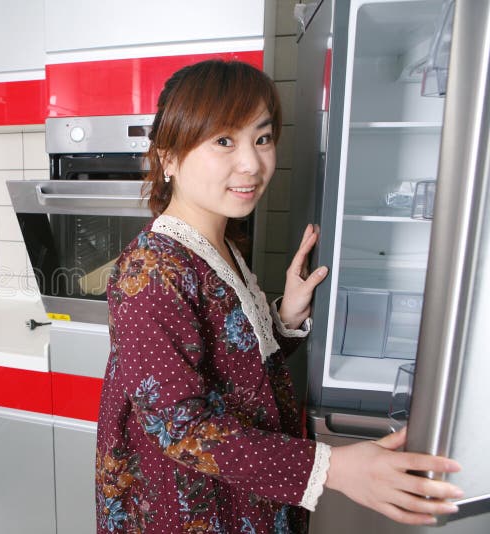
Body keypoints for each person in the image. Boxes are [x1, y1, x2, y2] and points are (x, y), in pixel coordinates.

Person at [94, 59, 463, 534]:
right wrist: (335, 468)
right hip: (189, 510)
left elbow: (234, 366)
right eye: (224, 140)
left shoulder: (220, 246)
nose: (252, 163)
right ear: (168, 157)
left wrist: (282, 318)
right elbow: (180, 427)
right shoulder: (150, 272)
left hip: (243, 492)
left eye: (262, 138)